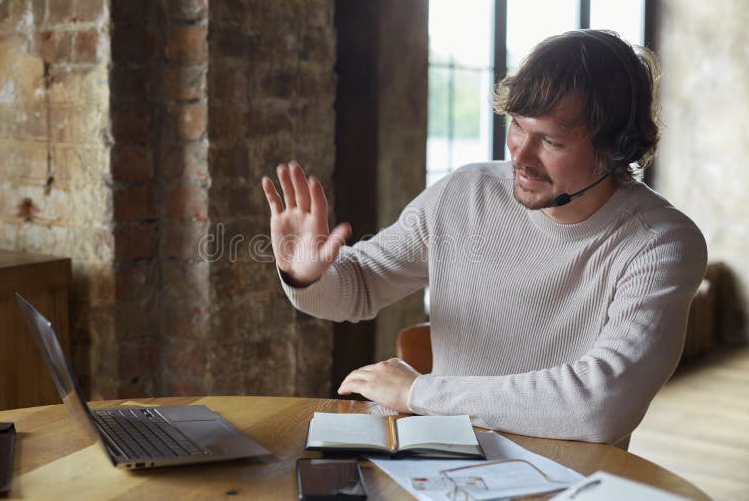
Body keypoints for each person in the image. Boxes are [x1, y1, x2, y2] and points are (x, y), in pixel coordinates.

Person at [260, 30, 707, 445]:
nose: (521, 157)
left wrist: (419, 392)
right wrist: (304, 276)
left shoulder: (661, 243)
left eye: (550, 142)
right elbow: (357, 287)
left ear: (618, 150)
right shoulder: (464, 193)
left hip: (569, 478)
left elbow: (600, 405)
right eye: (516, 126)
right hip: (443, 464)